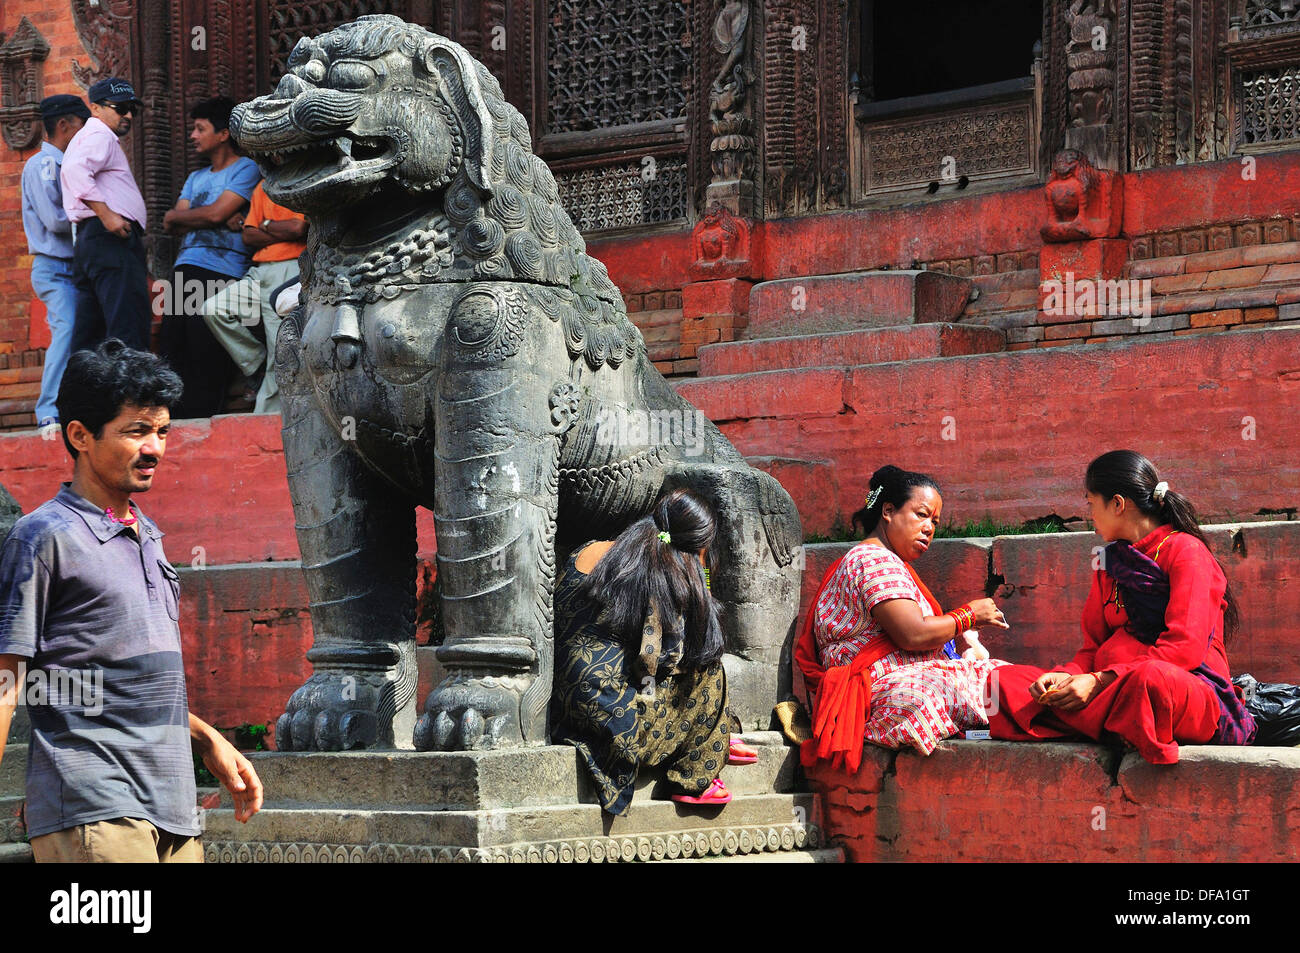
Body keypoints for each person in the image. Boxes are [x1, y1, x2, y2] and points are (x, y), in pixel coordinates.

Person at [0, 339, 263, 862]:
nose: (155, 448)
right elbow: (6, 686)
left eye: (162, 431)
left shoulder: (149, 534)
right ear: (80, 435)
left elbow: (127, 679)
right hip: (94, 806)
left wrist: (208, 739)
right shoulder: (44, 537)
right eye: (136, 431)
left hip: (173, 807)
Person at [988, 450, 1256, 762]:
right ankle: (1122, 726)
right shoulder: (1108, 563)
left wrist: (1100, 681)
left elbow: (1184, 649)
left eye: (1091, 504)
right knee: (1002, 683)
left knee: (1150, 682)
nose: (1090, 516)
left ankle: (1108, 722)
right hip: (1107, 691)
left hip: (1183, 690)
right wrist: (1067, 676)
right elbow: (1092, 649)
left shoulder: (1187, 552)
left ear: (1117, 504)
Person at [794, 464, 1010, 771]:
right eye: (921, 515)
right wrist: (969, 615)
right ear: (889, 511)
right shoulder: (872, 558)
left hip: (885, 687)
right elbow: (913, 634)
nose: (929, 528)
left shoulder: (882, 560)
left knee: (999, 680)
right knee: (963, 688)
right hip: (878, 693)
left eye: (934, 521)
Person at [550, 488, 746, 815]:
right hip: (615, 727)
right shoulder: (664, 573)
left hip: (563, 709)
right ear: (698, 545)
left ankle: (718, 735)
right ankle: (694, 776)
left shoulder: (589, 549)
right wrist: (700, 580)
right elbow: (667, 661)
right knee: (709, 670)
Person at [160, 96, 261, 419]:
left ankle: (202, 417)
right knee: (173, 344)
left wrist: (193, 216)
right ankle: (171, 418)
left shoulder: (245, 168)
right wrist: (209, 216)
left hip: (221, 271)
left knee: (205, 346)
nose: (193, 135)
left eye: (200, 129)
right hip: (184, 268)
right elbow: (169, 221)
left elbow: (211, 214)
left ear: (223, 134)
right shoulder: (196, 178)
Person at [200, 180, 307, 414]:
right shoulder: (263, 187)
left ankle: (267, 417)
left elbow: (299, 229)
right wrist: (277, 228)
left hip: (291, 268)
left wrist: (265, 225)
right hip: (259, 269)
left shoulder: (301, 178)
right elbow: (248, 236)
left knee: (280, 347)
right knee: (213, 308)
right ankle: (255, 363)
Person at [60, 78, 150, 353]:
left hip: (94, 240)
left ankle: (83, 396)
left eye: (132, 108)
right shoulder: (99, 134)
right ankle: (132, 396)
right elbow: (74, 170)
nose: (129, 115)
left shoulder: (91, 136)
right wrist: (107, 215)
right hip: (109, 237)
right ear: (96, 108)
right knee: (128, 326)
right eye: (121, 108)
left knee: (91, 334)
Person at [22, 95, 90, 431]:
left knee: (81, 333)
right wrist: (96, 212)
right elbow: (54, 220)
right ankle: (48, 410)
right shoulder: (43, 165)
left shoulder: (65, 165)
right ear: (64, 125)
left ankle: (73, 406)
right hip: (54, 267)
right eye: (81, 126)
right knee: (66, 331)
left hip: (73, 269)